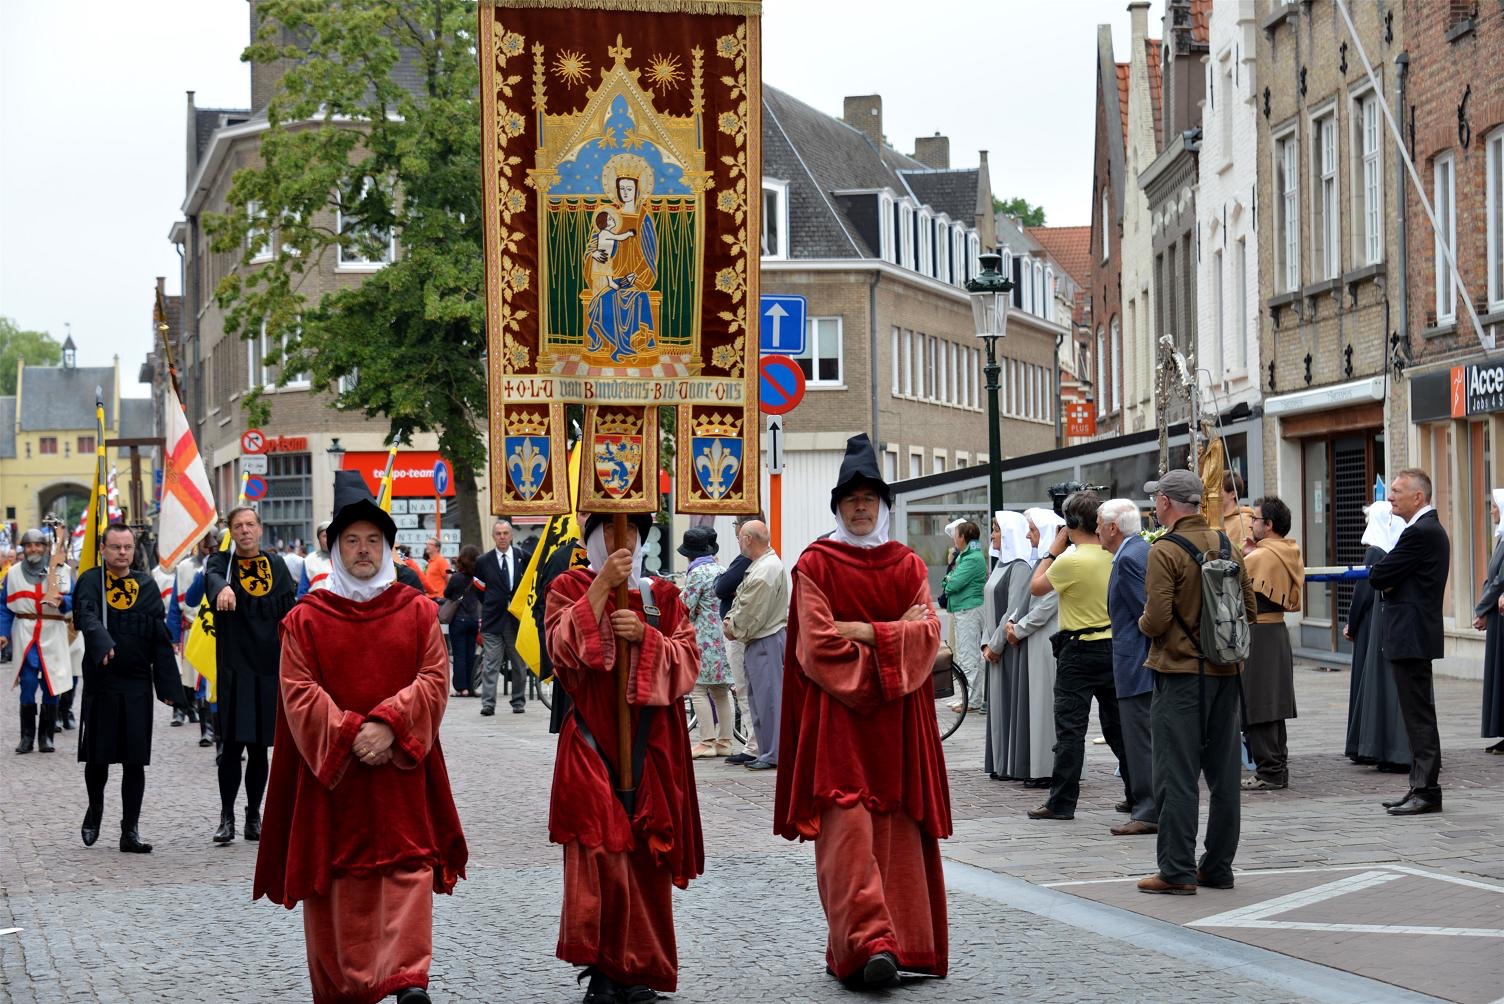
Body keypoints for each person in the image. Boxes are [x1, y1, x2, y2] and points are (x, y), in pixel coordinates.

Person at [254, 474, 466, 1004]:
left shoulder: (415, 609)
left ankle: (408, 977)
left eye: (374, 540)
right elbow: (297, 691)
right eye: (352, 540)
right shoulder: (306, 619)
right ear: (334, 547)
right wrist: (352, 733)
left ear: (388, 547)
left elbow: (435, 678)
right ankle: (352, 986)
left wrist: (390, 724)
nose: (364, 550)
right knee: (339, 883)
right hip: (336, 780)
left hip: (400, 773)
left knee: (407, 869)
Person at [775, 433, 949, 990]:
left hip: (898, 729)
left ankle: (901, 942)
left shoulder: (906, 565)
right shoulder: (816, 565)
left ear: (883, 505)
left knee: (895, 832)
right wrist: (888, 646)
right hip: (840, 728)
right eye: (850, 498)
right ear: (838, 506)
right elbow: (817, 648)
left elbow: (928, 632)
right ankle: (867, 944)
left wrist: (867, 631)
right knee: (848, 835)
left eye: (869, 497)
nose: (860, 505)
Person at [544, 511, 703, 1004]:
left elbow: (688, 661)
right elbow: (561, 648)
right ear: (592, 539)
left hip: (653, 744)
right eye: (611, 532)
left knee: (645, 857)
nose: (622, 541)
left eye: (631, 533)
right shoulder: (567, 587)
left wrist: (646, 638)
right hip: (592, 742)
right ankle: (603, 968)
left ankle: (640, 969)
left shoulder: (663, 596)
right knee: (599, 850)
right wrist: (600, 590)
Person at [1136, 470, 1257, 895]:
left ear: (1167, 503)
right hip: (1227, 673)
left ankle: (1176, 870)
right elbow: (1249, 609)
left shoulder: (1165, 550)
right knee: (1225, 777)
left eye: (1157, 500)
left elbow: (1157, 619)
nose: (1154, 506)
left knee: (1176, 774)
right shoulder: (1225, 542)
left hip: (1181, 675)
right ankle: (1218, 866)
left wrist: (1141, 622)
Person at [73, 524, 182, 852]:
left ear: (134, 550)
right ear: (103, 549)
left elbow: (159, 638)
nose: (122, 552)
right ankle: (95, 808)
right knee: (99, 757)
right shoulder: (91, 581)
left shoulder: (146, 586)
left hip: (136, 682)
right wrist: (102, 641)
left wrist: (168, 686)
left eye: (127, 547)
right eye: (116, 547)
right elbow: (86, 616)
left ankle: (129, 831)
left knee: (135, 760)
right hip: (102, 680)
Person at [1025, 490, 1126, 821]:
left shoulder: (1070, 560)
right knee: (1118, 728)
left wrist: (1053, 550)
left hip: (1077, 650)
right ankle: (1137, 793)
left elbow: (1036, 587)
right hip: (1113, 648)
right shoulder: (1115, 555)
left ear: (1069, 524)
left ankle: (1062, 802)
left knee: (1070, 730)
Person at [205, 505, 296, 844]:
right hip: (234, 668)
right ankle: (226, 816)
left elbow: (291, 612)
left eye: (250, 524)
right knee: (231, 747)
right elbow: (211, 578)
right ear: (231, 530)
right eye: (238, 525)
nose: (244, 530)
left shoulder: (276, 564)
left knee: (259, 749)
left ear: (260, 528)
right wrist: (222, 589)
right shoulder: (221, 564)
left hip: (269, 669)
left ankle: (253, 815)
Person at [1368, 468, 1450, 816]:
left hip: (1412, 634)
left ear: (1418, 496)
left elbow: (1379, 574)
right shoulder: (1423, 531)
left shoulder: (1420, 532)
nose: (1390, 497)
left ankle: (1427, 790)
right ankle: (1420, 786)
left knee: (1418, 716)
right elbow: (1389, 577)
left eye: (1397, 491)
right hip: (1413, 633)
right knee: (1416, 713)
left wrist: (1388, 580)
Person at [1097, 498, 1157, 835]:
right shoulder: (1136, 552)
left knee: (1139, 740)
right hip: (1137, 661)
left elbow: (1146, 615)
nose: (1095, 531)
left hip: (1136, 664)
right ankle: (1145, 804)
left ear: (1112, 528)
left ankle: (1147, 810)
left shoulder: (1130, 559)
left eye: (1098, 524)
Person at [1240, 496, 1304, 792]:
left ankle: (1270, 771)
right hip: (1275, 630)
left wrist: (1242, 556)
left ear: (1268, 525)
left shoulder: (1260, 557)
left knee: (1260, 703)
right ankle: (1276, 768)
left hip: (1260, 633)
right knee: (1272, 704)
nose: (1250, 523)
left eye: (1255, 519)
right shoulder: (1287, 550)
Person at [1344, 501, 1410, 772]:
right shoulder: (1394, 548)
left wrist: (1351, 621)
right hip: (1386, 619)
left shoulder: (1374, 551)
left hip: (1372, 621)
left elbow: (1362, 590)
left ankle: (1367, 744)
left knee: (1368, 680)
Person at [1000, 508, 1064, 787]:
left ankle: (1049, 768)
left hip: (1046, 641)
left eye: (1034, 530)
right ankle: (1037, 766)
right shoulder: (1039, 562)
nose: (1028, 535)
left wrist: (1019, 628)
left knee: (1046, 705)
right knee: (1036, 705)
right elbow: (1025, 601)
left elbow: (1048, 605)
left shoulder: (1060, 563)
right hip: (1032, 638)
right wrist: (1014, 622)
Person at [722, 520, 787, 771]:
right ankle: (766, 750)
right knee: (759, 698)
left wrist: (733, 627)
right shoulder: (764, 565)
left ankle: (772, 753)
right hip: (760, 639)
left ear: (748, 539)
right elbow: (744, 602)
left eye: (740, 537)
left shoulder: (764, 570)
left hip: (765, 638)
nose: (738, 541)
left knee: (769, 699)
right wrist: (733, 621)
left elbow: (750, 609)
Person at [3, 527, 74, 754]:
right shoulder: (13, 574)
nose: (33, 549)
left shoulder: (60, 571)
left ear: (45, 547)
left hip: (52, 632)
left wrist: (61, 600)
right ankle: (26, 738)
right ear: (23, 549)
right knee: (28, 684)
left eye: (38, 545)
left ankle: (46, 737)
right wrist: (3, 633)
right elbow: (4, 608)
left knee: (52, 686)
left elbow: (75, 599)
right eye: (29, 545)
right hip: (26, 634)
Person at [980, 511, 1032, 779]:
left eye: (997, 530)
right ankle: (1000, 762)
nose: (992, 535)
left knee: (1008, 706)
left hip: (1008, 651)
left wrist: (996, 645)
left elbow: (1012, 611)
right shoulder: (1000, 564)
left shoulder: (1020, 566)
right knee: (998, 708)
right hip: (995, 649)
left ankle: (1010, 764)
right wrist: (986, 644)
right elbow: (988, 608)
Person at [713, 512, 764, 765]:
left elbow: (721, 588)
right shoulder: (758, 559)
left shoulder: (746, 559)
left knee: (745, 689)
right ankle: (756, 744)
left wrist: (723, 584)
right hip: (746, 632)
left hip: (740, 632)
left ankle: (754, 745)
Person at [679, 526, 733, 758]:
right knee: (721, 691)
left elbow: (685, 608)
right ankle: (725, 741)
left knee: (698, 689)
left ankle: (706, 741)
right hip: (722, 637)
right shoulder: (721, 569)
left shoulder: (697, 573)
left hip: (703, 638)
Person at [474, 519, 532, 716]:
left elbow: (531, 582)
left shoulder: (522, 556)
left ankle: (518, 701)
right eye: (498, 533)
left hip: (515, 619)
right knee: (491, 663)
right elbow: (479, 589)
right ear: (493, 536)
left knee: (518, 663)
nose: (502, 537)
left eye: (505, 533)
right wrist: (492, 602)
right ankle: (488, 704)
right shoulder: (483, 561)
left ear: (511, 535)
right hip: (492, 619)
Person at [940, 520, 986, 713]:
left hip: (968, 610)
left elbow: (952, 584)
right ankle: (969, 698)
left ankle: (972, 701)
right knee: (966, 654)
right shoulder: (968, 557)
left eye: (956, 535)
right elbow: (950, 579)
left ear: (963, 538)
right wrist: (949, 579)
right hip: (963, 609)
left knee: (968, 656)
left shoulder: (972, 558)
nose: (954, 539)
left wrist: (948, 580)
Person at [1474, 489, 1504, 755]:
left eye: (1494, 507)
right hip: (1497, 617)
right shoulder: (1501, 540)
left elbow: (1501, 580)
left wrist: (1481, 607)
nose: (1491, 510)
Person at [443, 545, 483, 698]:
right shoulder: (477, 579)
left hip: (458, 620)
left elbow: (447, 594)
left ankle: (461, 688)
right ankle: (472, 687)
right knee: (470, 654)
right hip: (473, 619)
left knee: (459, 655)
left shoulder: (456, 578)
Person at [297, 522, 334, 598]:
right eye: (325, 536)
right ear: (319, 539)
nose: (329, 539)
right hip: (316, 606)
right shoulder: (309, 560)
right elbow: (302, 593)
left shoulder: (345, 558)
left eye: (332, 535)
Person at [1220, 471, 1254, 547]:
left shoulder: (1245, 522)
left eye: (1218, 491)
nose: (1213, 495)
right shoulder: (1215, 520)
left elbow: (1246, 554)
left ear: (1232, 494)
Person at [420, 537, 450, 601]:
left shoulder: (441, 561)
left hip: (439, 599)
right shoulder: (430, 562)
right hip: (430, 598)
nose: (427, 546)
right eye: (426, 544)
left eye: (430, 544)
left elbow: (448, 578)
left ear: (437, 548)